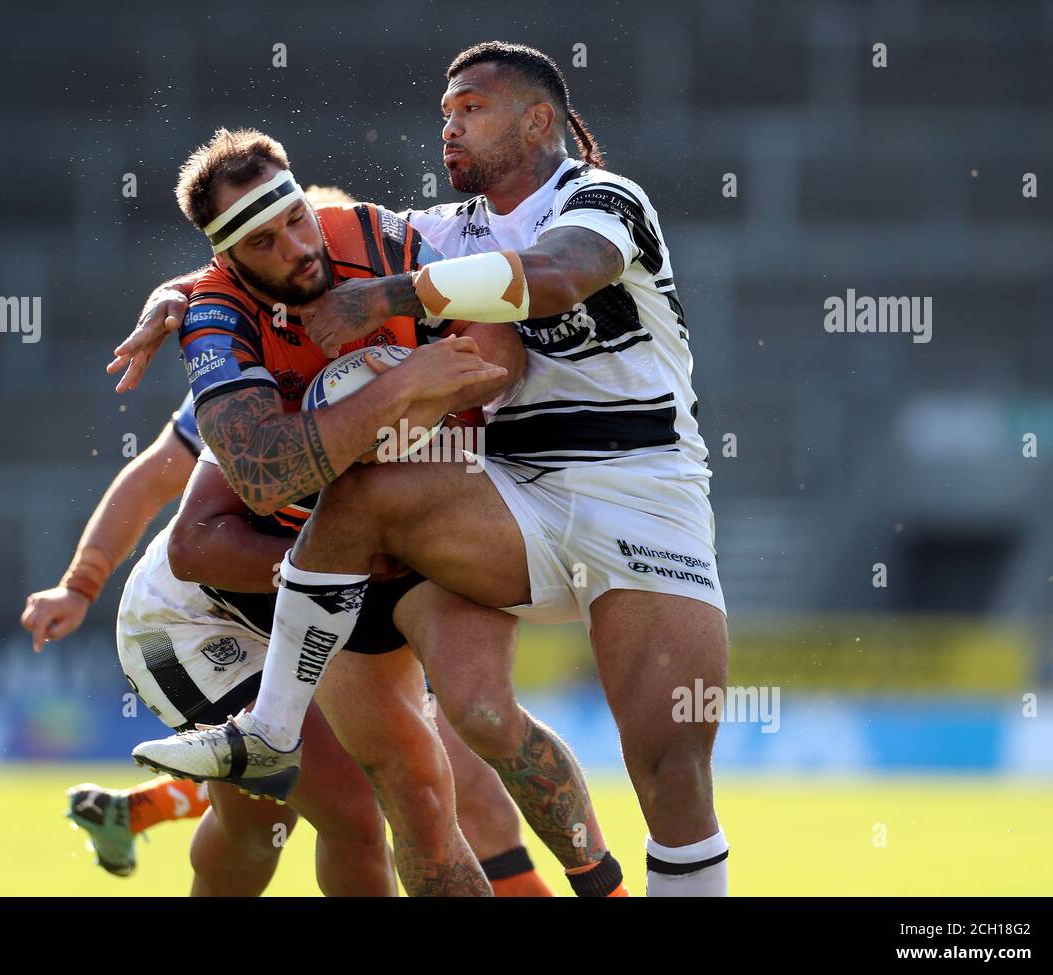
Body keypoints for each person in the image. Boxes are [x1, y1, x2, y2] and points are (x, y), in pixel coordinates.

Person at [122, 42, 731, 896]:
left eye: (470, 108)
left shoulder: (604, 200)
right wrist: (178, 295)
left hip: (645, 492)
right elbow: (291, 240)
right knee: (368, 504)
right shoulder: (447, 232)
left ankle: (609, 879)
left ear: (537, 119)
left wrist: (389, 299)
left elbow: (554, 277)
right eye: (443, 111)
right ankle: (271, 724)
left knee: (670, 773)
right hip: (519, 494)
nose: (448, 123)